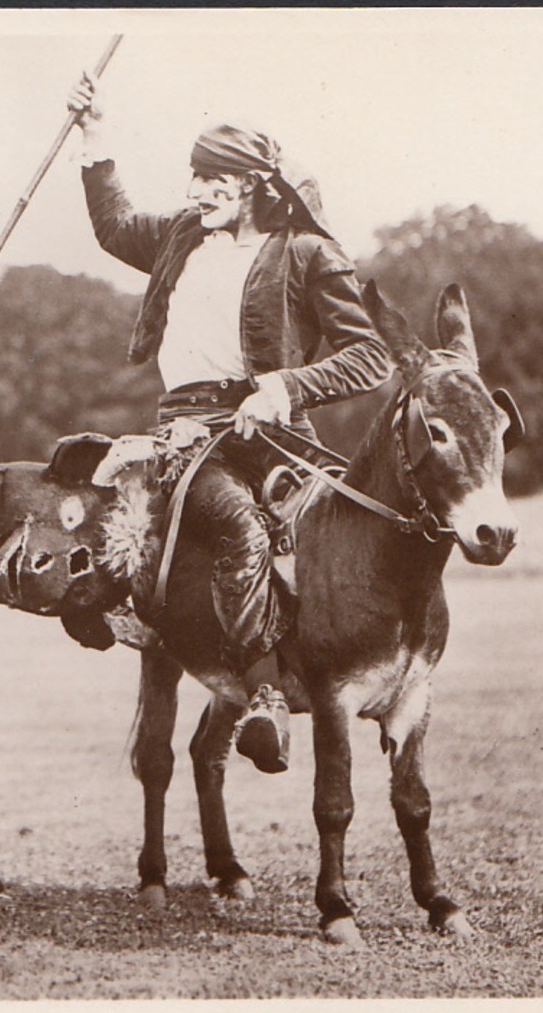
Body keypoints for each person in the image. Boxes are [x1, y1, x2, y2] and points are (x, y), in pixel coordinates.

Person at [66, 74, 392, 773]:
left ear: (252, 184)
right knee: (233, 526)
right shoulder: (180, 238)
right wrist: (94, 133)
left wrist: (284, 385)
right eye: (193, 178)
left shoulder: (307, 253)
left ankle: (383, 676)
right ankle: (264, 695)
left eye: (212, 181)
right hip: (189, 436)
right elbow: (113, 225)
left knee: (337, 540)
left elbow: (371, 357)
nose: (196, 192)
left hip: (277, 435)